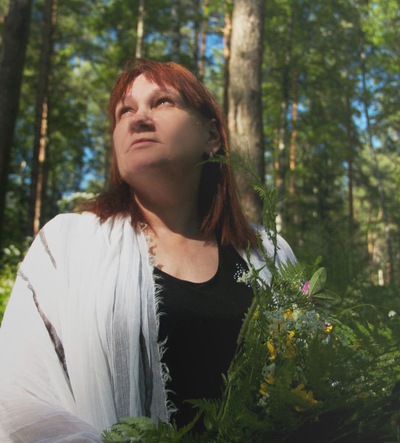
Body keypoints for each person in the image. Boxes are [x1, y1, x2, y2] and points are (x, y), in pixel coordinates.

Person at [0, 58, 296, 442]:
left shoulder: (270, 254)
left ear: (211, 136)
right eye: (125, 111)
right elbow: (15, 393)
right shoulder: (65, 246)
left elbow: (314, 383)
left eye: (162, 102)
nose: (138, 119)